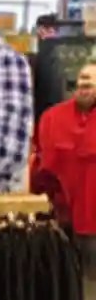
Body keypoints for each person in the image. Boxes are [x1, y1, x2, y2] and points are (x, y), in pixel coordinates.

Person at [32, 62, 96, 270]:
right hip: (59, 225)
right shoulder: (52, 118)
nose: (85, 83)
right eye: (82, 79)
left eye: (91, 81)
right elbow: (39, 170)